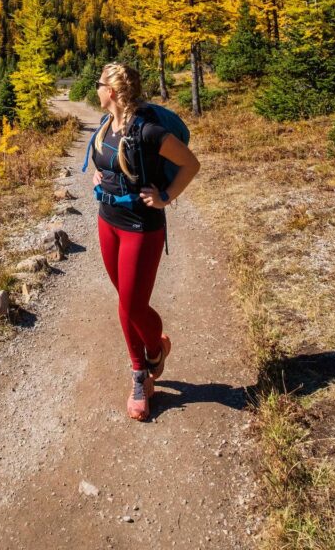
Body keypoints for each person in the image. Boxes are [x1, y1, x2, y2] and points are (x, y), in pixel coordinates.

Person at [87, 62, 200, 420]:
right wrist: (98, 175)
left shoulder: (148, 131)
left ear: (112, 92)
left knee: (133, 305)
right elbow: (104, 162)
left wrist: (165, 197)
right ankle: (144, 367)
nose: (96, 89)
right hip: (108, 222)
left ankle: (150, 356)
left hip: (140, 227)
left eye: (99, 84)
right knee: (126, 301)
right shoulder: (106, 125)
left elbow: (191, 164)